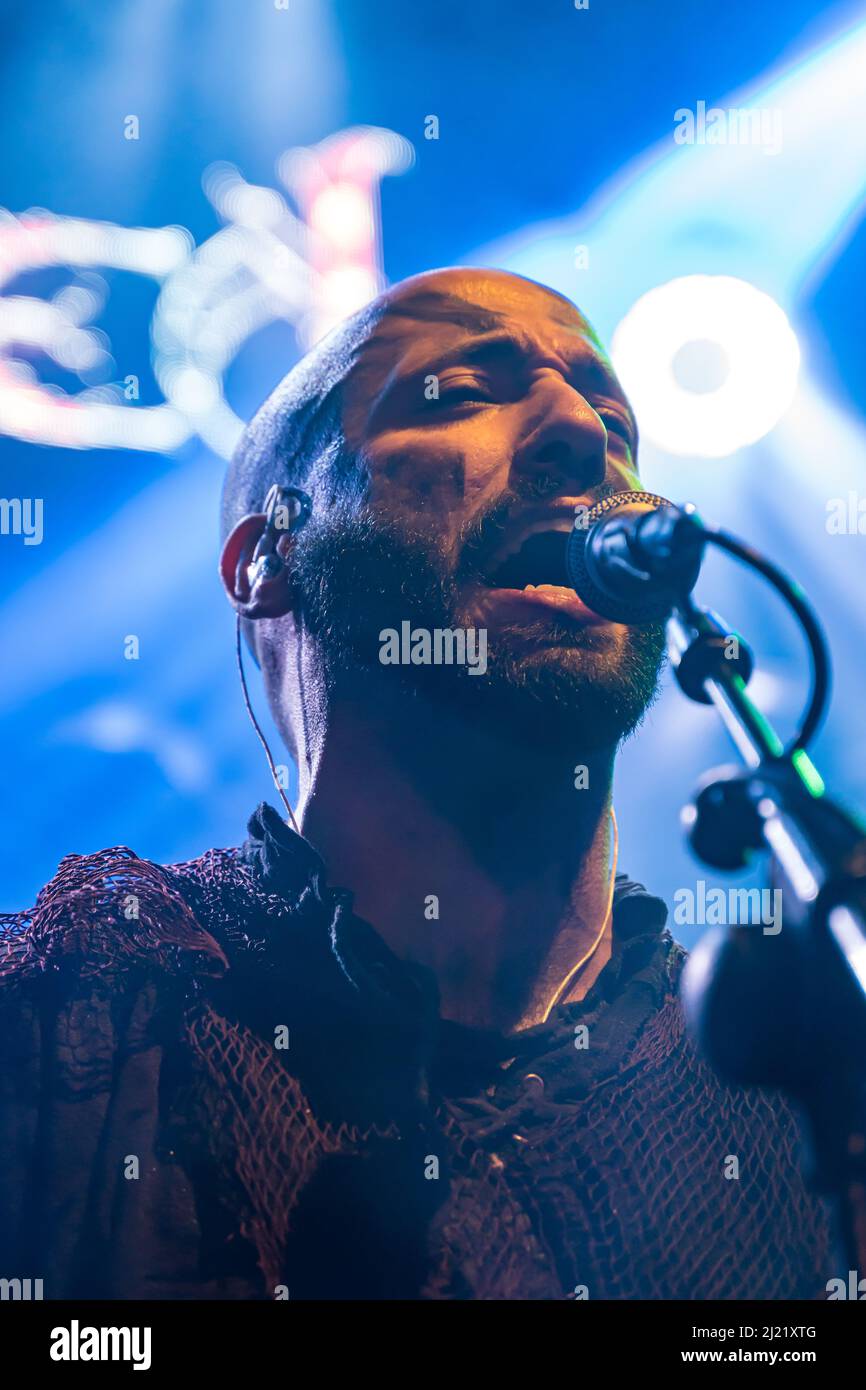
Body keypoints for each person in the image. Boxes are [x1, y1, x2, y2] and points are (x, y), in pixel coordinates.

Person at [0, 268, 829, 1300]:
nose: (581, 432)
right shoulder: (72, 1010)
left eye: (612, 419)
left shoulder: (788, 1082)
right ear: (268, 557)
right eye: (456, 393)